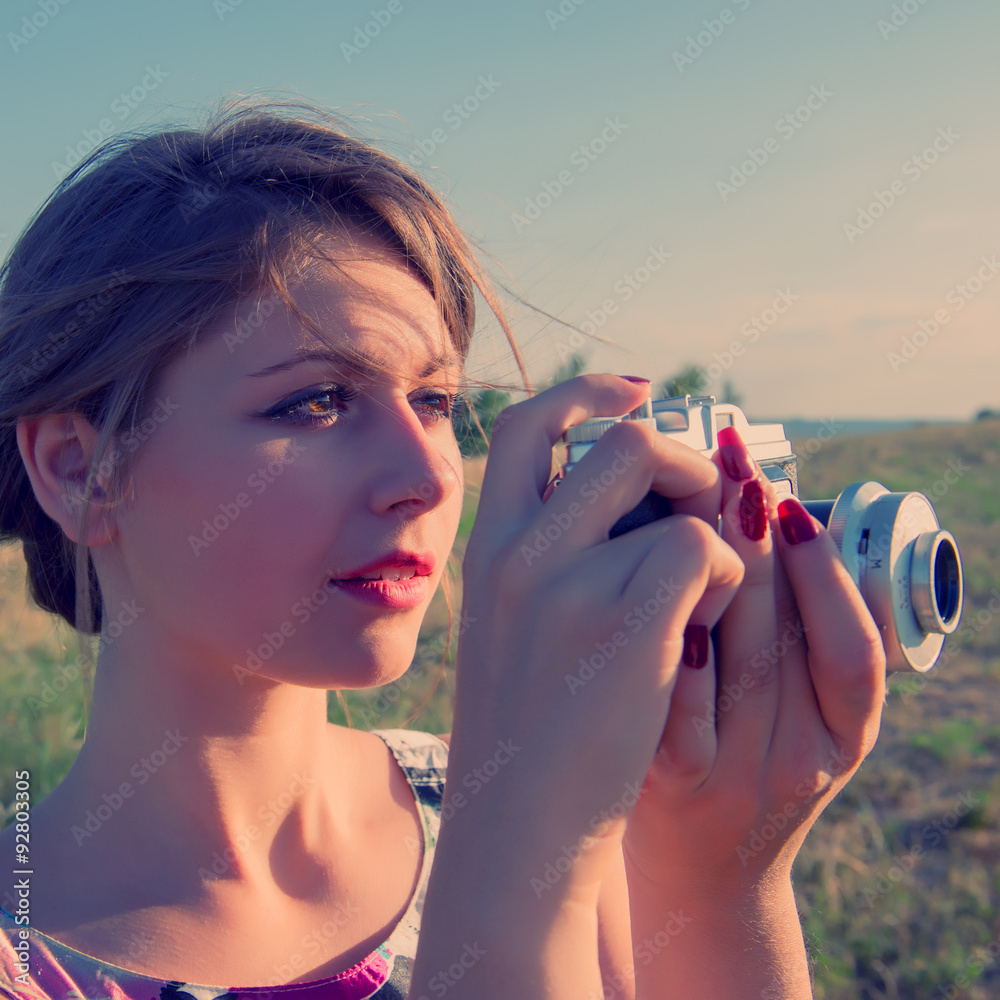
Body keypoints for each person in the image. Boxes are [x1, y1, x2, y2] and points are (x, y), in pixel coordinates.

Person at [0, 101, 885, 999]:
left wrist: (719, 877)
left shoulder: (528, 798)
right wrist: (516, 849)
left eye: (433, 401)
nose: (428, 474)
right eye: (316, 403)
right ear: (80, 469)